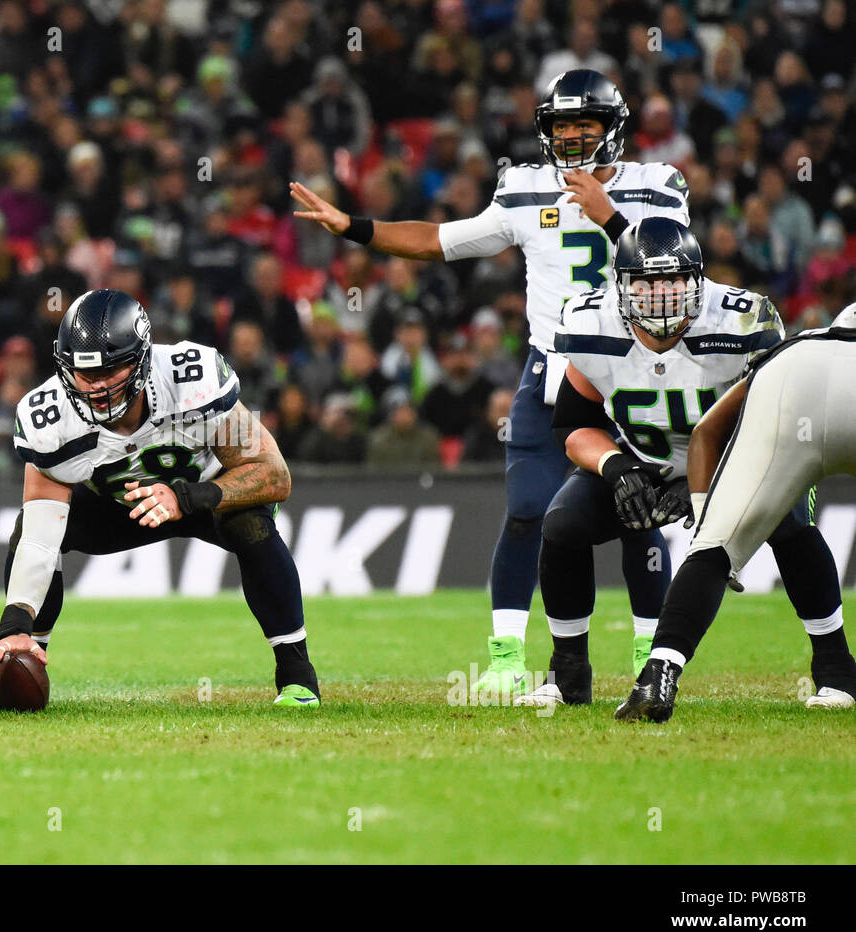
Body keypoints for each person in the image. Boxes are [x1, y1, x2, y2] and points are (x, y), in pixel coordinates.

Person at [292, 70, 691, 695]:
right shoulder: (525, 190)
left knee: (637, 510)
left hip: (626, 370)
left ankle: (651, 652)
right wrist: (355, 227)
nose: (573, 136)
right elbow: (438, 241)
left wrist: (609, 217)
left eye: (585, 123)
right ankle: (507, 658)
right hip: (549, 370)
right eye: (561, 125)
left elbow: (674, 263)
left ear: (612, 127)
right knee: (531, 511)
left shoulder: (656, 184)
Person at [518, 219, 849, 706]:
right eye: (646, 284)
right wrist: (615, 468)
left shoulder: (741, 323)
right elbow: (571, 425)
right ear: (620, 287)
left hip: (740, 456)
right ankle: (568, 676)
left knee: (789, 524)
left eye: (672, 282)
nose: (661, 296)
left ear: (697, 281)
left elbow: (771, 418)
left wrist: (707, 481)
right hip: (642, 457)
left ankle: (836, 668)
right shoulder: (592, 325)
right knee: (562, 525)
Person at [0, 290, 320, 709]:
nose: (95, 387)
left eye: (109, 371)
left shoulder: (192, 380)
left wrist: (189, 497)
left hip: (204, 495)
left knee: (251, 524)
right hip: (117, 507)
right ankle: (22, 664)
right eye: (83, 373)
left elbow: (273, 474)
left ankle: (297, 676)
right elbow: (40, 538)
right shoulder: (52, 417)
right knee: (29, 526)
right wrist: (13, 625)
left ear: (142, 359)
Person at [617, 300, 856, 723]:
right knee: (796, 530)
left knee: (715, 550)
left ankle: (659, 673)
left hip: (794, 377)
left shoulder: (801, 345)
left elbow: (707, 430)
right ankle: (835, 671)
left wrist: (708, 521)